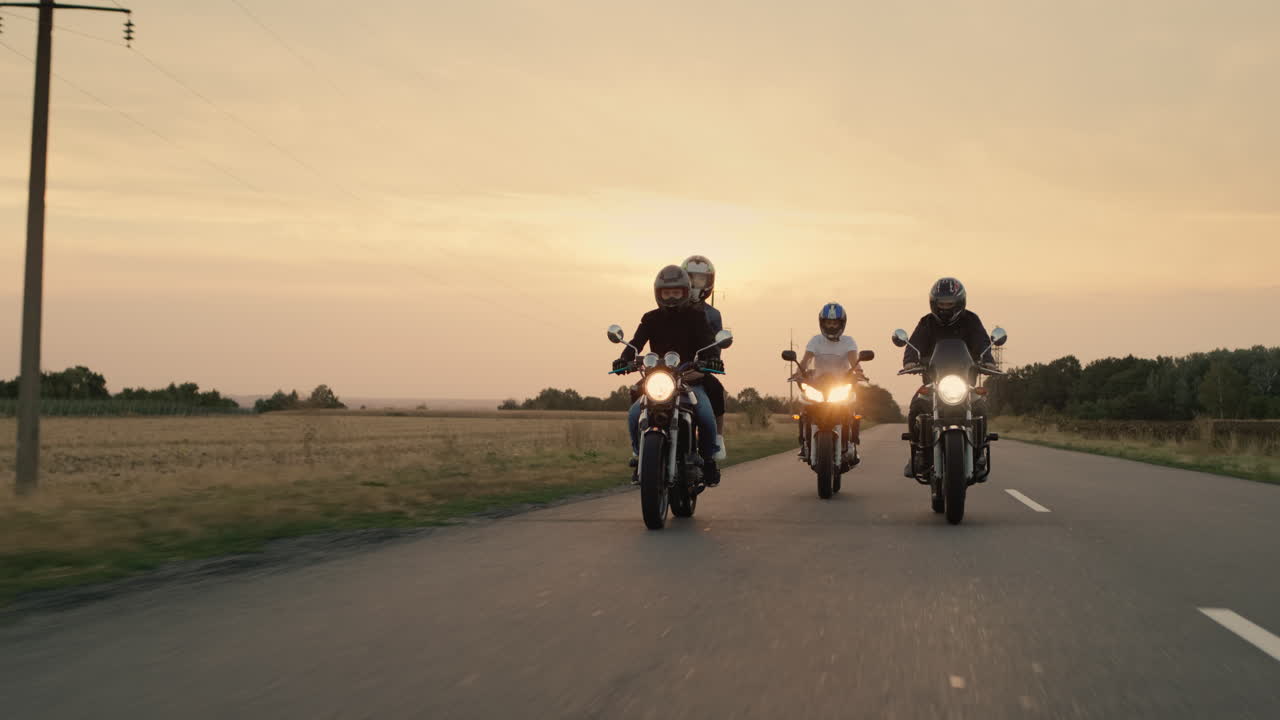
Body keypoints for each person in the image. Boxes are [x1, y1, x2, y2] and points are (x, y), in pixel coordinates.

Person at [613, 265, 723, 486]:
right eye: (666, 293)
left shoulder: (697, 316)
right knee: (635, 413)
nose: (671, 297)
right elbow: (635, 343)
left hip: (689, 379)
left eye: (676, 292)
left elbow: (708, 342)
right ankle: (639, 454)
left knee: (705, 414)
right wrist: (624, 358)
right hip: (658, 379)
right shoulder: (650, 318)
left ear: (684, 292)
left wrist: (710, 359)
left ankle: (709, 460)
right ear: (658, 294)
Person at [901, 277, 997, 477]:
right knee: (916, 406)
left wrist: (987, 360)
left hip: (965, 383)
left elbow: (982, 341)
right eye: (942, 303)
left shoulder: (971, 320)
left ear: (960, 303)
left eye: (949, 303)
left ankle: (978, 452)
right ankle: (919, 452)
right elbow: (914, 344)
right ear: (934, 303)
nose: (945, 307)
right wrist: (910, 360)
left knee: (980, 406)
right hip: (935, 383)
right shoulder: (926, 322)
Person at [790, 302, 864, 462]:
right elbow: (806, 360)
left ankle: (851, 443)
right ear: (822, 323)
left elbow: (854, 361)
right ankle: (804, 444)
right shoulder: (815, 341)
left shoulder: (848, 342)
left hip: (841, 385)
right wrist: (798, 373)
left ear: (841, 323)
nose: (831, 326)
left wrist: (859, 372)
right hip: (818, 385)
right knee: (805, 410)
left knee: (852, 410)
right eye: (828, 322)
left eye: (835, 322)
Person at [681, 254, 728, 461]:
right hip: (670, 372)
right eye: (690, 278)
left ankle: (716, 441)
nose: (694, 284)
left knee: (717, 392)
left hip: (699, 370)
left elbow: (715, 347)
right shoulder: (671, 308)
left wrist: (708, 364)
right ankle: (641, 449)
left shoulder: (713, 314)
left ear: (708, 283)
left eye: (700, 279)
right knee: (638, 391)